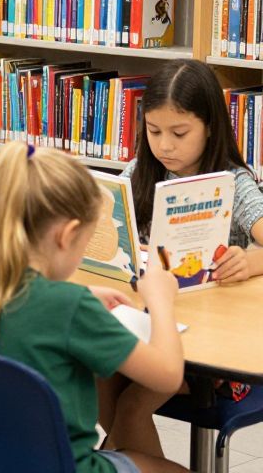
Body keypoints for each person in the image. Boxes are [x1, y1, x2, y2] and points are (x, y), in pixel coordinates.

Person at [0, 142, 186, 473]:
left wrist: (74, 292)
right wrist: (160, 301)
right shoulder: (71, 309)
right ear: (67, 235)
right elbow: (167, 376)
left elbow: (27, 305)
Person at [113, 58, 263, 453]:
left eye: (179, 133)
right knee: (95, 382)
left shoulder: (232, 182)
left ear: (210, 126)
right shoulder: (139, 172)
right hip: (145, 320)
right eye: (154, 131)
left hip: (208, 344)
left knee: (128, 407)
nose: (164, 145)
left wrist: (249, 262)